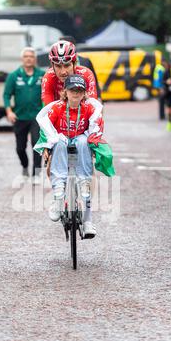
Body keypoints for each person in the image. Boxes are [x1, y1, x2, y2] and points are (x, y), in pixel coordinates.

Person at [36, 75, 106, 239]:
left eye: (79, 90)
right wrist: (46, 146)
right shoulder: (58, 108)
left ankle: (88, 220)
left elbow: (96, 129)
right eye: (72, 90)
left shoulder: (88, 108)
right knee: (59, 140)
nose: (76, 93)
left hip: (80, 147)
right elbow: (47, 129)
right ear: (65, 92)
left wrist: (96, 146)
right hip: (62, 146)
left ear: (84, 94)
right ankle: (59, 193)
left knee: (82, 141)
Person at [3, 47, 45, 184]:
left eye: (31, 56)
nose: (28, 59)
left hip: (37, 117)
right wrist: (9, 111)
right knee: (20, 148)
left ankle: (37, 174)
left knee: (37, 144)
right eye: (26, 56)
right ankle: (25, 168)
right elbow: (7, 95)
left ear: (35, 59)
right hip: (19, 117)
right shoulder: (14, 76)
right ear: (22, 59)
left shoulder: (42, 75)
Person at [42, 40, 98, 106]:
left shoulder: (86, 74)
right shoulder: (48, 77)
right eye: (58, 66)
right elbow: (48, 109)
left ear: (75, 64)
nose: (63, 72)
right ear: (52, 65)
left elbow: (93, 106)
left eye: (67, 65)